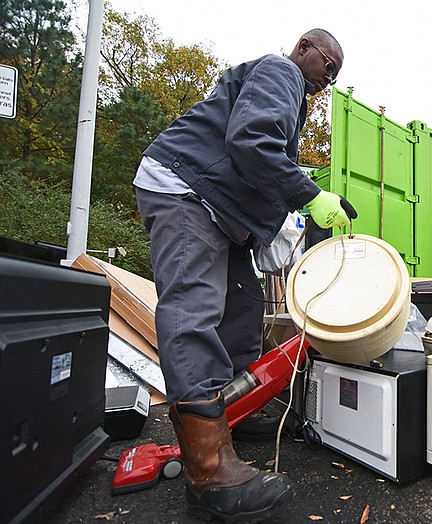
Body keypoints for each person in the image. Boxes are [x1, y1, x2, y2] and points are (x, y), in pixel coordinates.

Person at [133, 29, 350, 522]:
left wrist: (291, 219)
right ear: (303, 49)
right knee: (195, 305)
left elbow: (258, 167)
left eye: (335, 75)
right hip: (185, 188)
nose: (328, 78)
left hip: (218, 206)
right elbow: (252, 141)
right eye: (327, 64)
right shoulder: (282, 72)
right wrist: (309, 195)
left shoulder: (284, 92)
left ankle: (235, 412)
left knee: (243, 304)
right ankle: (207, 469)